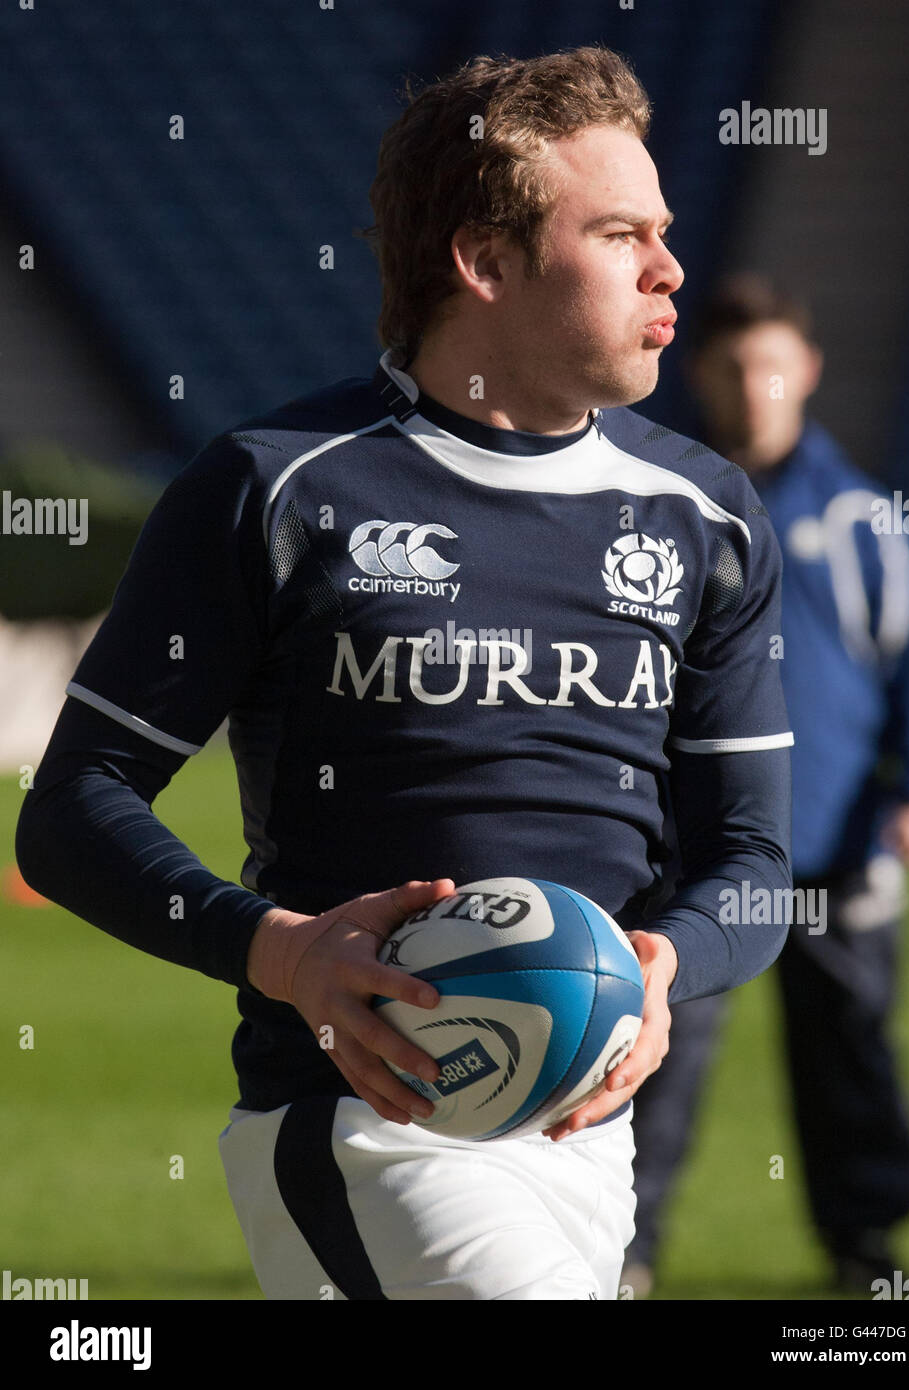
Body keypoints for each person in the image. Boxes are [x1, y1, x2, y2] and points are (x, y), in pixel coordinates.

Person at [15, 49, 793, 1301]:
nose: (669, 269)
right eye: (618, 234)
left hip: (589, 1144)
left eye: (662, 229)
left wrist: (668, 965)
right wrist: (277, 951)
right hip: (368, 1126)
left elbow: (754, 862)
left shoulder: (706, 514)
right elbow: (71, 811)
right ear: (482, 263)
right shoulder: (276, 486)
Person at [623, 274, 909, 1296]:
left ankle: (862, 1250)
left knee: (846, 1057)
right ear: (701, 374)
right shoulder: (660, 504)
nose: (753, 387)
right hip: (698, 851)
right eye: (731, 368)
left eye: (769, 364)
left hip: (835, 849)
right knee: (656, 1057)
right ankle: (622, 1252)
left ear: (803, 370)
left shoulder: (861, 518)